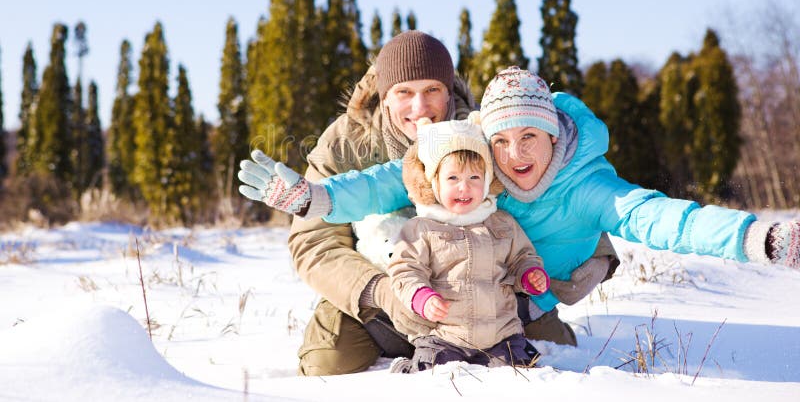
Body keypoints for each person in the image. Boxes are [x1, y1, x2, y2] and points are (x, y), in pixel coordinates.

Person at [241, 66, 800, 351]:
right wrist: (313, 197)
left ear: (554, 135)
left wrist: (758, 238)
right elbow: (388, 181)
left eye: (530, 136)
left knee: (555, 357)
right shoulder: (479, 159)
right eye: (502, 141)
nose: (515, 155)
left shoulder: (590, 188)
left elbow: (662, 218)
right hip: (443, 297)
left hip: (523, 306)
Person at [239, 35, 617, 375]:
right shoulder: (343, 144)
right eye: (404, 91)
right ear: (384, 97)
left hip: (481, 292)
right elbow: (314, 245)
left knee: (556, 353)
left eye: (432, 89)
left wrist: (596, 248)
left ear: (448, 92)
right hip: (380, 295)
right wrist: (381, 292)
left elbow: (546, 184)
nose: (420, 106)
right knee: (329, 362)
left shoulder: (479, 131)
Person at [387, 114, 549, 373]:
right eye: (453, 178)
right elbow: (405, 270)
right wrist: (421, 297)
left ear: (486, 181)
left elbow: (523, 257)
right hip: (444, 336)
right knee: (433, 372)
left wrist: (529, 274)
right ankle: (407, 369)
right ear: (435, 182)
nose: (464, 187)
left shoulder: (502, 223)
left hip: (501, 335)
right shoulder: (422, 228)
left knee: (522, 371)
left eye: (474, 177)